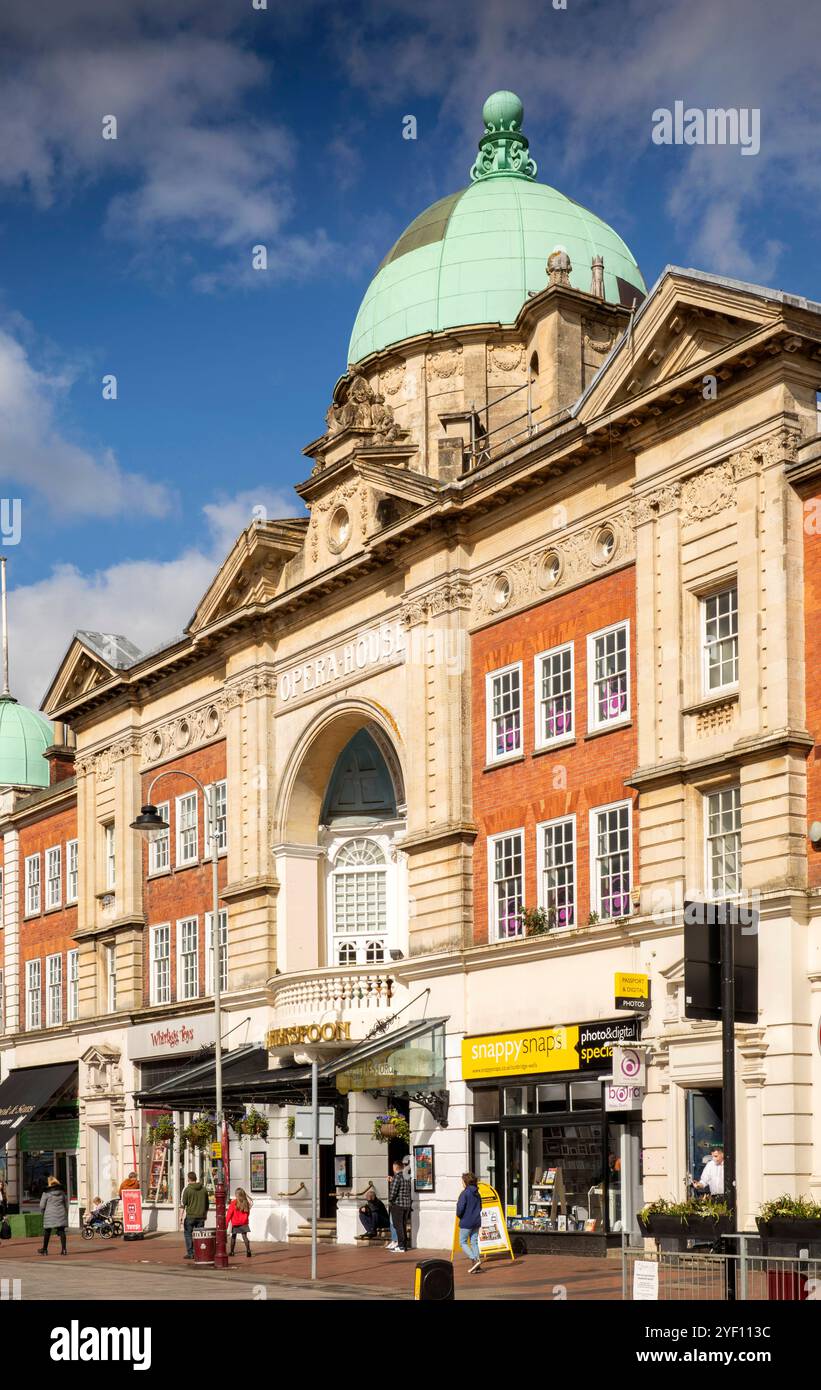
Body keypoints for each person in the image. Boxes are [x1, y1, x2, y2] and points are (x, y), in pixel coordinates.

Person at [456, 1173, 483, 1274]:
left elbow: (460, 1208)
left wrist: (460, 1215)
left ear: (466, 1182)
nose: (462, 1183)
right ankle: (477, 1265)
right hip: (476, 1221)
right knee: (474, 1242)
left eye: (463, 1181)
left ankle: (474, 1260)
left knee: (462, 1242)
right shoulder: (477, 1193)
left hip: (466, 1222)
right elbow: (480, 1207)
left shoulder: (465, 1193)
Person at [180, 1170, 209, 1259]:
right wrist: (205, 1214)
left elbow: (183, 1205)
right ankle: (199, 1251)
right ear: (195, 1178)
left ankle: (190, 1253)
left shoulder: (187, 1190)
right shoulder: (203, 1189)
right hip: (201, 1216)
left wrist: (180, 1217)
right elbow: (207, 1204)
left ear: (188, 1179)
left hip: (190, 1216)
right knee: (199, 1235)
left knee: (188, 1234)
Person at [38, 1175, 69, 1256]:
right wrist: (65, 1213)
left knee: (47, 1231)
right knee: (62, 1231)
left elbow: (41, 1206)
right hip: (61, 1213)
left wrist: (43, 1213)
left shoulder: (46, 1193)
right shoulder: (62, 1192)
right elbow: (66, 1204)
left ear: (49, 1183)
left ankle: (44, 1250)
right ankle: (64, 1250)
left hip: (49, 1214)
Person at [387, 1159, 412, 1254]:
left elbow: (393, 1192)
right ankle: (404, 1245)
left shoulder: (397, 1177)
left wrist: (390, 1201)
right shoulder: (407, 1176)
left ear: (395, 1167)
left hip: (398, 1205)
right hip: (407, 1205)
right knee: (403, 1225)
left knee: (398, 1226)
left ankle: (401, 1246)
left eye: (393, 1167)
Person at [225, 1187, 252, 1257]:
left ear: (236, 1195)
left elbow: (229, 1214)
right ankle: (248, 1250)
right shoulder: (245, 1203)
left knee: (233, 1237)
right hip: (244, 1223)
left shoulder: (233, 1203)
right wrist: (245, 1219)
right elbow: (248, 1213)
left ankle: (232, 1252)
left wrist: (226, 1223)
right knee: (244, 1237)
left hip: (236, 1223)